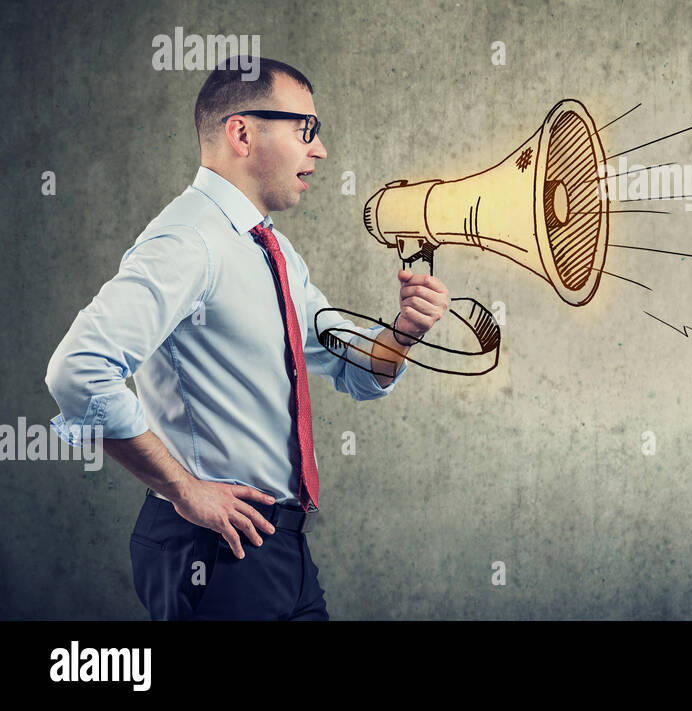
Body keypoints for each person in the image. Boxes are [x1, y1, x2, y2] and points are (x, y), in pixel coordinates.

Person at [44, 56, 449, 620]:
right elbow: (77, 372)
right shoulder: (189, 240)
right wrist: (184, 489)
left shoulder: (272, 251)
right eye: (305, 130)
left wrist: (403, 332)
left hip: (281, 547)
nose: (320, 150)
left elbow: (355, 370)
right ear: (242, 132)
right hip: (212, 549)